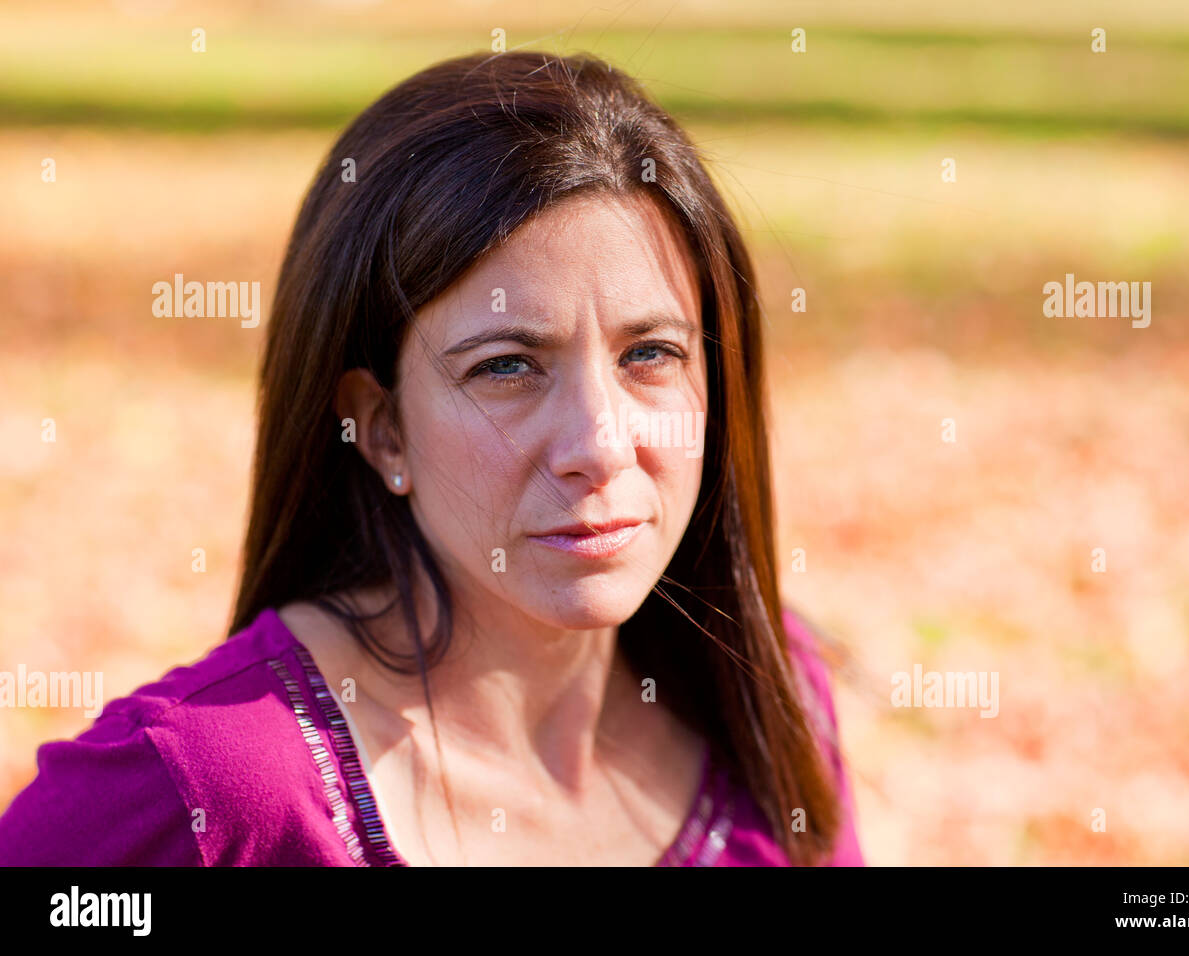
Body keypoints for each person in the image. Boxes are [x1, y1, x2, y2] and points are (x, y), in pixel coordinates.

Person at [0, 50, 864, 866]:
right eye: (507, 367)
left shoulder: (769, 700)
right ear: (382, 429)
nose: (600, 444)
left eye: (651, 354)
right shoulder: (208, 786)